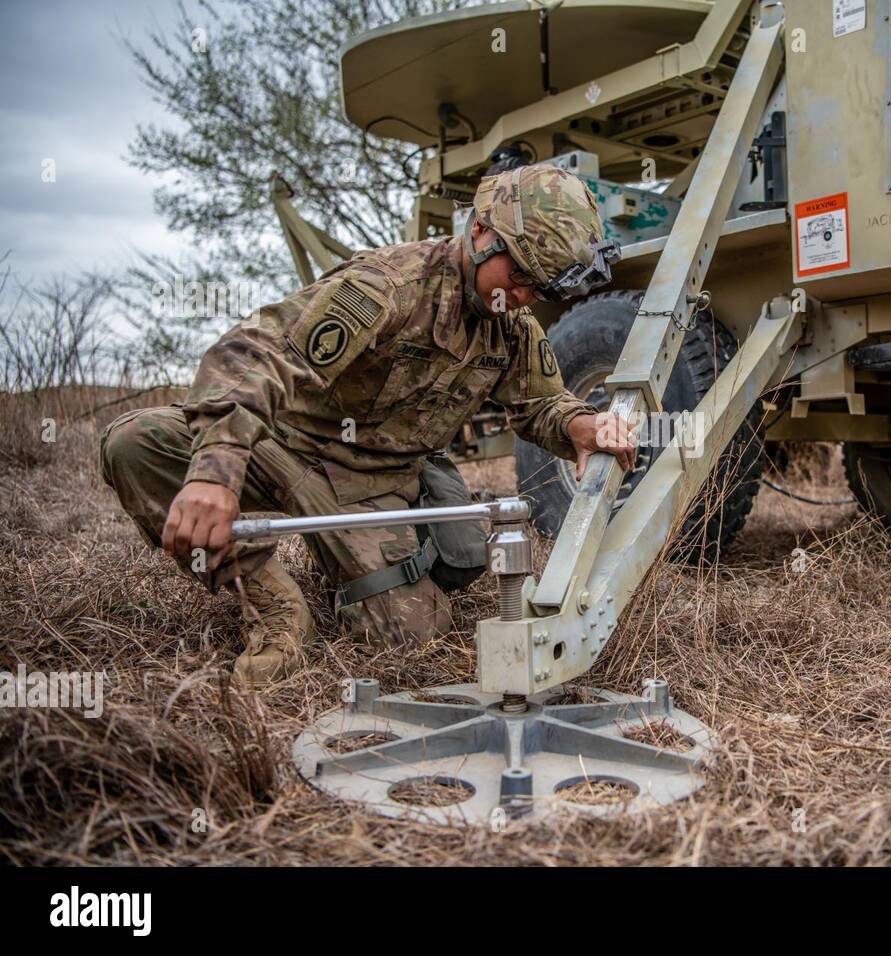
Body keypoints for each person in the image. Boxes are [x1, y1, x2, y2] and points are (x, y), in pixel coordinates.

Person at [99, 163, 637, 687]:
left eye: (539, 288)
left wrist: (577, 426)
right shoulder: (387, 288)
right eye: (518, 272)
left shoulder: (514, 330)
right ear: (479, 231)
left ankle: (350, 564)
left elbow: (541, 403)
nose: (522, 296)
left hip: (372, 488)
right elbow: (254, 357)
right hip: (277, 447)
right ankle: (273, 603)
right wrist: (216, 472)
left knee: (411, 640)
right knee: (134, 444)